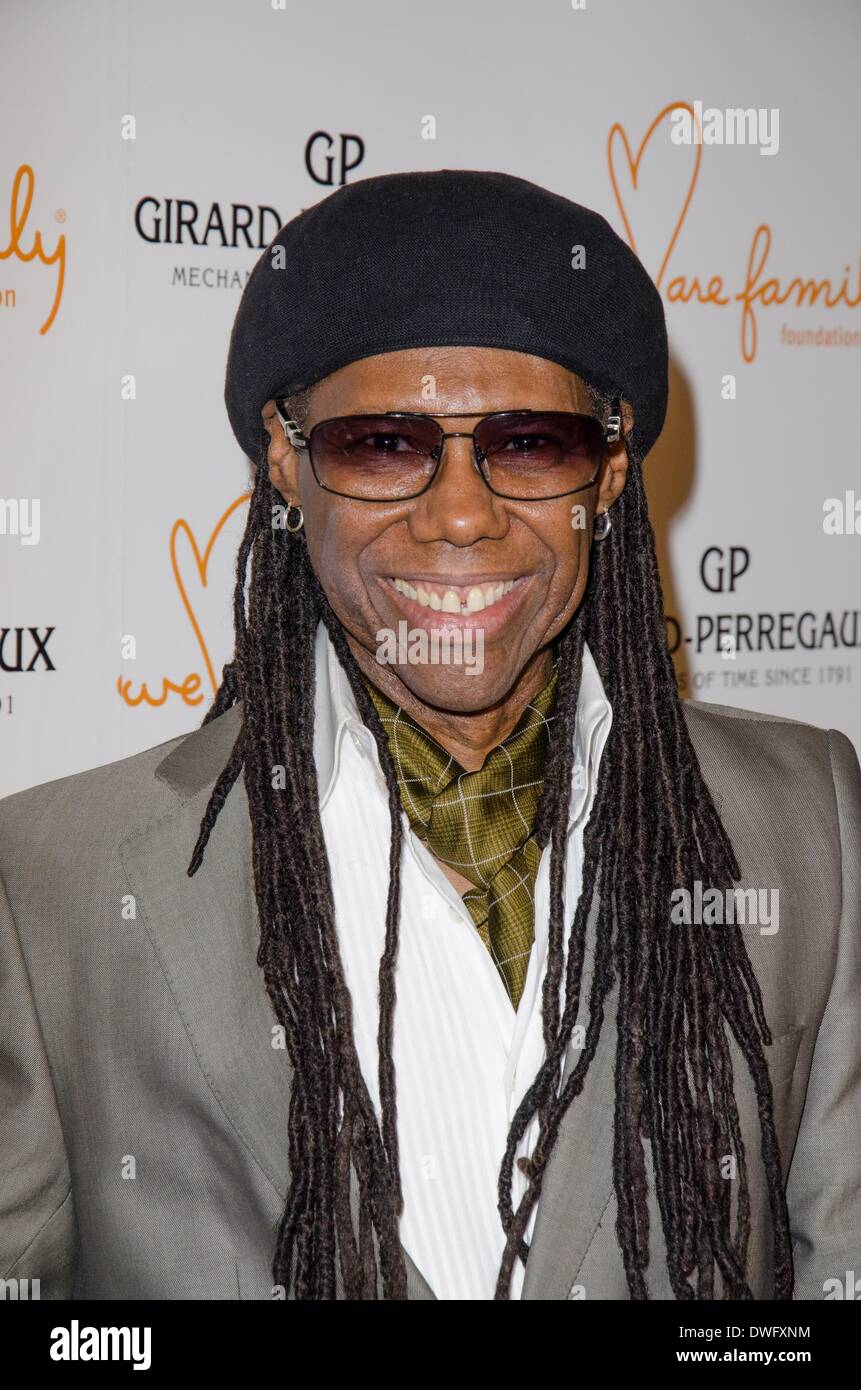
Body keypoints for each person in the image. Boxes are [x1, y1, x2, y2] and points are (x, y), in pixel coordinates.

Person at [1, 170, 858, 1302]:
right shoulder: (54, 882)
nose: (460, 512)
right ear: (286, 459)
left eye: (531, 443)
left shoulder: (806, 817)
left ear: (606, 471)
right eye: (384, 444)